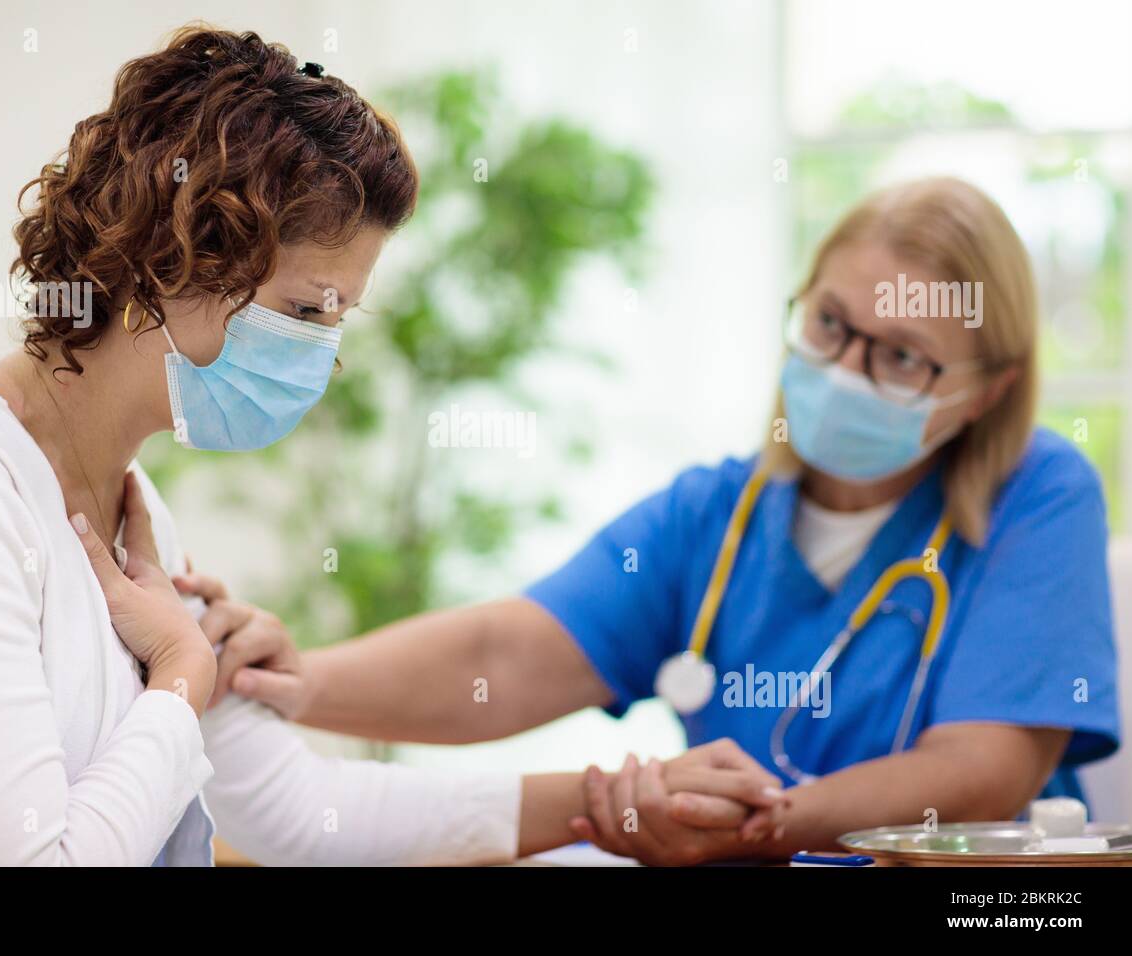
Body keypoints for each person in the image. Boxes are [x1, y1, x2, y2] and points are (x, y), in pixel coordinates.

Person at [0, 26, 786, 866]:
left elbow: (301, 812)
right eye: (305, 312)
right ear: (168, 258)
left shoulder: (134, 512)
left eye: (338, 320)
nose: (323, 361)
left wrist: (611, 803)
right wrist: (180, 679)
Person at [203, 177, 1121, 865]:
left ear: (985, 391)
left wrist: (755, 825)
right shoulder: (712, 516)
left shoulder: (1040, 495)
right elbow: (502, 656)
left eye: (902, 357)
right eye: (830, 325)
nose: (846, 370)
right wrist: (299, 681)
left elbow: (987, 766)